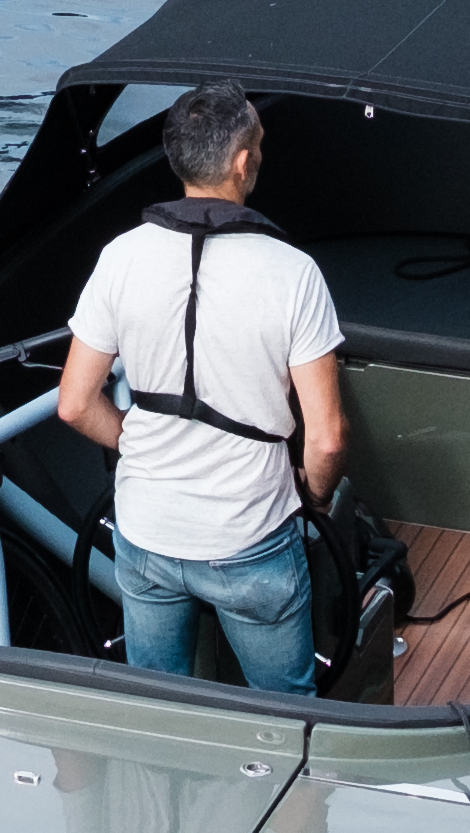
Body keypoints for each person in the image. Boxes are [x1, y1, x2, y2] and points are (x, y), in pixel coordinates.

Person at [53, 82, 347, 692]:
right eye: (258, 144)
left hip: (145, 533)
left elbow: (75, 404)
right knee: (287, 715)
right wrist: (314, 498)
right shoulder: (294, 274)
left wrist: (139, 444)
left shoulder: (120, 256)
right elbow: (327, 440)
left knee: (158, 706)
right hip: (249, 536)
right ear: (242, 162)